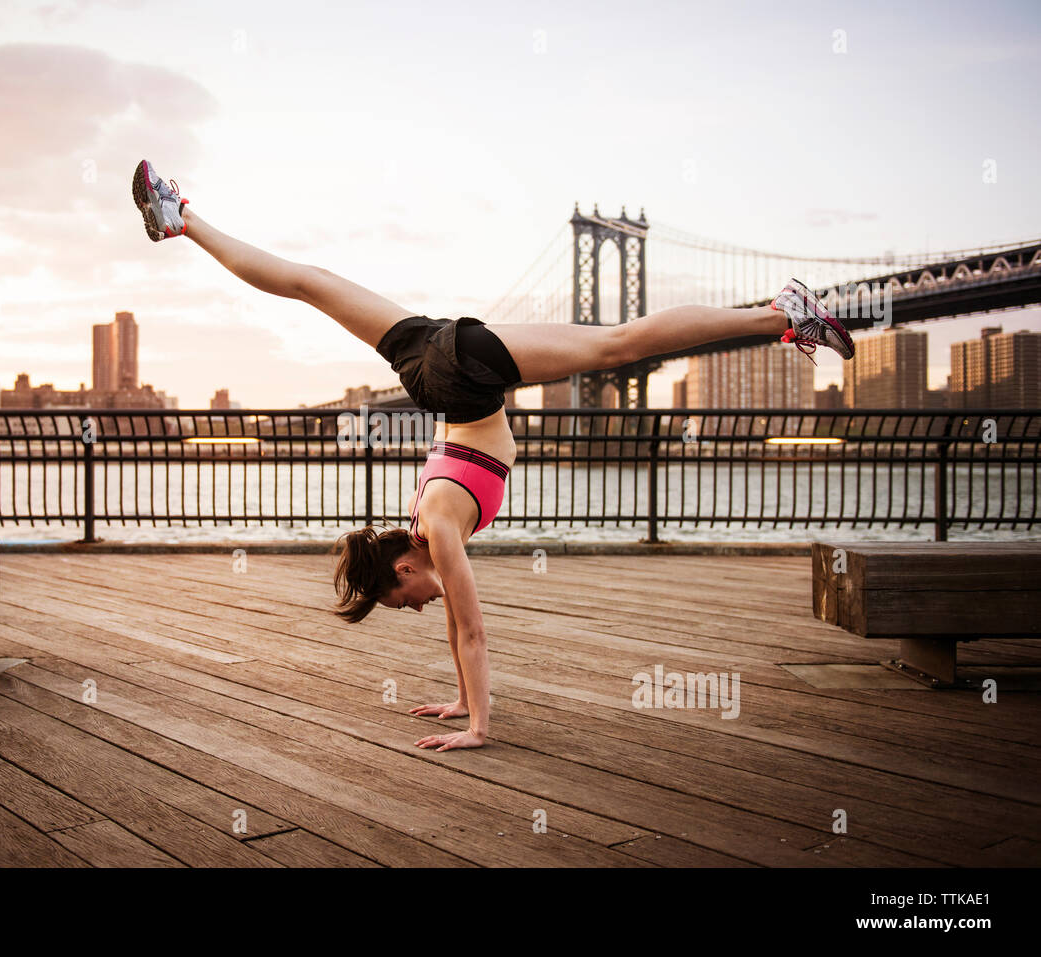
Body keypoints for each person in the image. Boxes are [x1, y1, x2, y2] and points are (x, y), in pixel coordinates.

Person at [133, 159, 854, 752]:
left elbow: (470, 629)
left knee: (618, 343)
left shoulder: (440, 529)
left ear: (406, 566)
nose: (413, 607)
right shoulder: (423, 519)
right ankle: (180, 215)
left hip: (461, 375)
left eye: (398, 597)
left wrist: (480, 727)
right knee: (308, 281)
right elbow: (456, 624)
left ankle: (780, 314)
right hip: (425, 368)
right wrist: (458, 700)